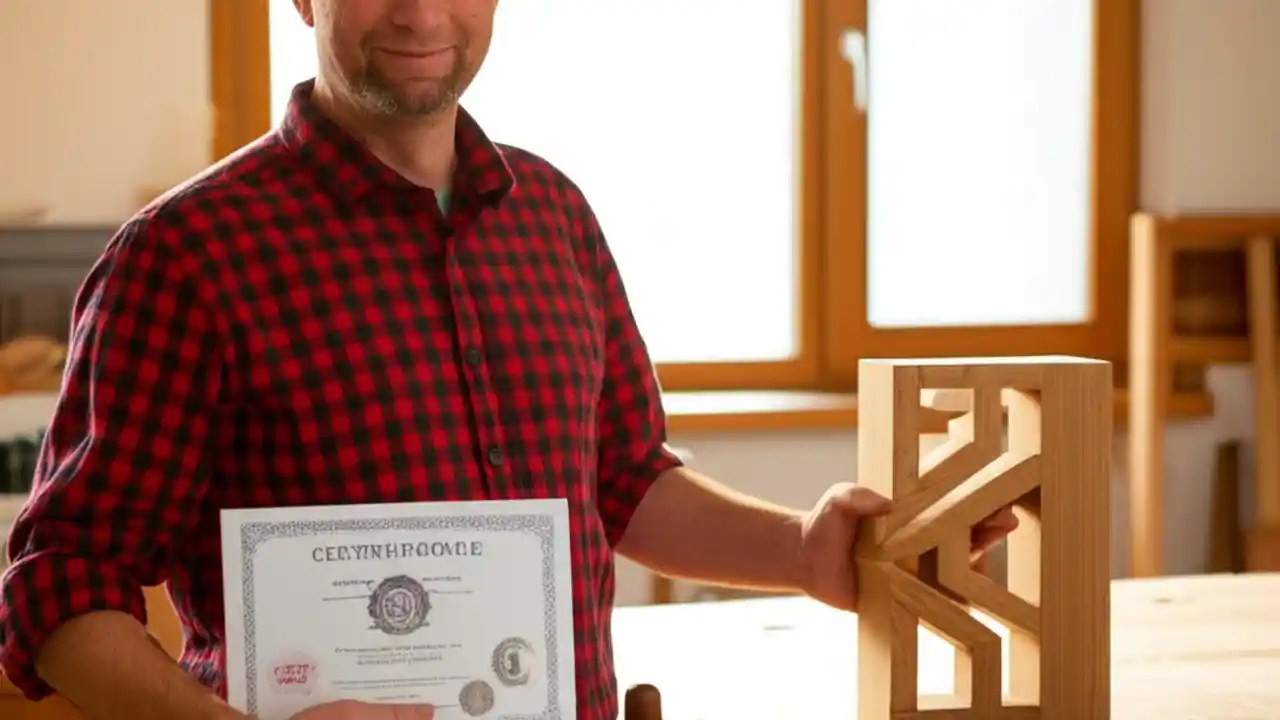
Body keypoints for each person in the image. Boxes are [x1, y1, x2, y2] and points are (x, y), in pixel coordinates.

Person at [0, 1, 1018, 719]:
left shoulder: (553, 217)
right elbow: (58, 584)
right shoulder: (183, 258)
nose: (420, 14)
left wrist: (802, 550)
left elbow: (618, 481)